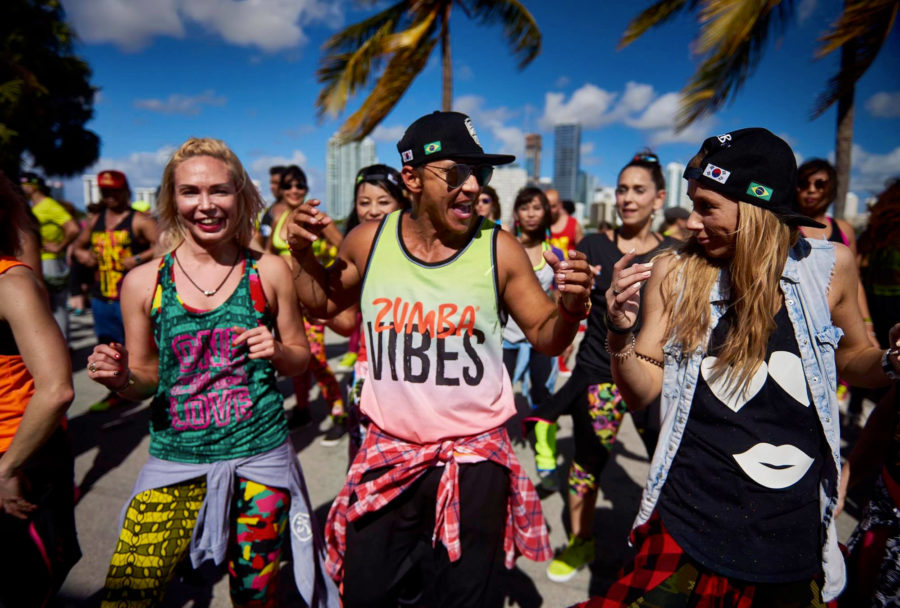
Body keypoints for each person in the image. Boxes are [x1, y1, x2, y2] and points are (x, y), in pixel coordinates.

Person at [577, 128, 900, 607]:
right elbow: (645, 388)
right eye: (691, 203)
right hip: (687, 517)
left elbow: (852, 357)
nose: (689, 221)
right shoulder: (676, 270)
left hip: (789, 531)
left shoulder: (830, 268)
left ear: (755, 211)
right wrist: (620, 332)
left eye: (706, 207)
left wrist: (892, 360)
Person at [286, 111, 594, 606]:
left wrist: (573, 304)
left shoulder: (499, 248)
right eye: (455, 173)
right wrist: (300, 256)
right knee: (367, 591)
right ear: (411, 177)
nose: (472, 187)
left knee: (463, 596)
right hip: (388, 454)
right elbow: (329, 309)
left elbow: (544, 334)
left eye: (481, 174)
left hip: (473, 463)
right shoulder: (370, 239)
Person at [85, 137, 336, 607]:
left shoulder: (269, 271)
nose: (205, 205)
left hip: (261, 459)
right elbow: (145, 377)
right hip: (176, 457)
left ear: (240, 195)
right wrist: (120, 378)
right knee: (130, 591)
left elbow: (301, 357)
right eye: (190, 192)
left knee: (255, 595)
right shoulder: (144, 281)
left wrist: (277, 350)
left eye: (219, 191)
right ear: (171, 198)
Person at [528, 152, 677, 583]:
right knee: (585, 466)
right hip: (597, 372)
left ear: (659, 197)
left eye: (639, 190)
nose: (628, 198)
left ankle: (664, 550)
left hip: (653, 374)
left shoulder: (673, 255)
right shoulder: (591, 246)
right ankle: (581, 540)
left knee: (669, 467)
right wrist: (572, 291)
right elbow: (570, 307)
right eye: (622, 189)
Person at [0, 171, 80, 607]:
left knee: (26, 586)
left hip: (21, 454)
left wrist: (8, 468)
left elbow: (55, 390)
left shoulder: (11, 284)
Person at [266, 165, 347, 441]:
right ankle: (302, 410)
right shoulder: (278, 220)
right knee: (295, 359)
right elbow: (266, 256)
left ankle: (338, 412)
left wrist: (326, 280)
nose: (294, 190)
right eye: (288, 186)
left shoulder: (316, 218)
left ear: (306, 189)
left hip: (310, 304)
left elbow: (346, 250)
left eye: (299, 185)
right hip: (285, 305)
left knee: (317, 360)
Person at [338, 164, 411, 459]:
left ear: (402, 202)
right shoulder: (353, 249)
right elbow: (345, 322)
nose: (373, 210)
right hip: (369, 368)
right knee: (363, 454)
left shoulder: (422, 249)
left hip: (415, 367)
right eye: (364, 202)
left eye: (383, 201)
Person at [73, 170, 159, 411]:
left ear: (126, 192)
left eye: (115, 191)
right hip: (101, 296)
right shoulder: (95, 220)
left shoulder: (139, 220)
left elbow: (162, 245)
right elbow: (77, 246)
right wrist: (84, 255)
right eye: (106, 192)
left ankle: (150, 391)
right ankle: (116, 394)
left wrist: (139, 258)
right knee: (108, 348)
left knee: (139, 349)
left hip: (130, 297)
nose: (110, 196)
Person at [503, 187, 563, 409]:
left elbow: (559, 296)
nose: (530, 213)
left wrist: (562, 336)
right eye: (524, 207)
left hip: (540, 337)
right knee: (497, 395)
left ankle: (542, 440)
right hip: (504, 337)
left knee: (543, 394)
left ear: (546, 213)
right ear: (517, 213)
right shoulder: (504, 245)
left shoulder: (555, 253)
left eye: (536, 208)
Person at [19, 171, 80, 340]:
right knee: (43, 305)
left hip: (51, 262)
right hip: (38, 260)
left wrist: (59, 246)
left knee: (56, 305)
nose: (21, 187)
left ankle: (63, 346)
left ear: (33, 185)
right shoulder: (35, 206)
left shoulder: (49, 205)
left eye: (24, 183)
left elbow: (73, 228)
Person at [547, 187, 584, 256]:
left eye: (553, 206)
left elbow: (583, 251)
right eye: (546, 206)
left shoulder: (573, 224)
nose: (549, 210)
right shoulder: (539, 225)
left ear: (560, 205)